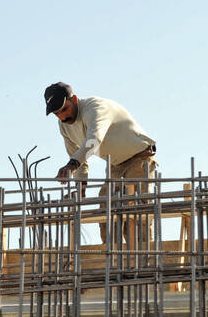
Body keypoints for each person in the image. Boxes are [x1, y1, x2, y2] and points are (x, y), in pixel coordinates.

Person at [46, 82, 157, 246]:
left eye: (64, 110)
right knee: (107, 212)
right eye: (57, 114)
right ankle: (112, 263)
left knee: (136, 213)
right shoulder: (64, 126)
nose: (62, 117)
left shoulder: (95, 108)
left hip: (139, 158)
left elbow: (94, 139)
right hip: (115, 165)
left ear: (74, 99)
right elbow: (76, 156)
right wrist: (80, 185)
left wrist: (72, 164)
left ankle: (144, 262)